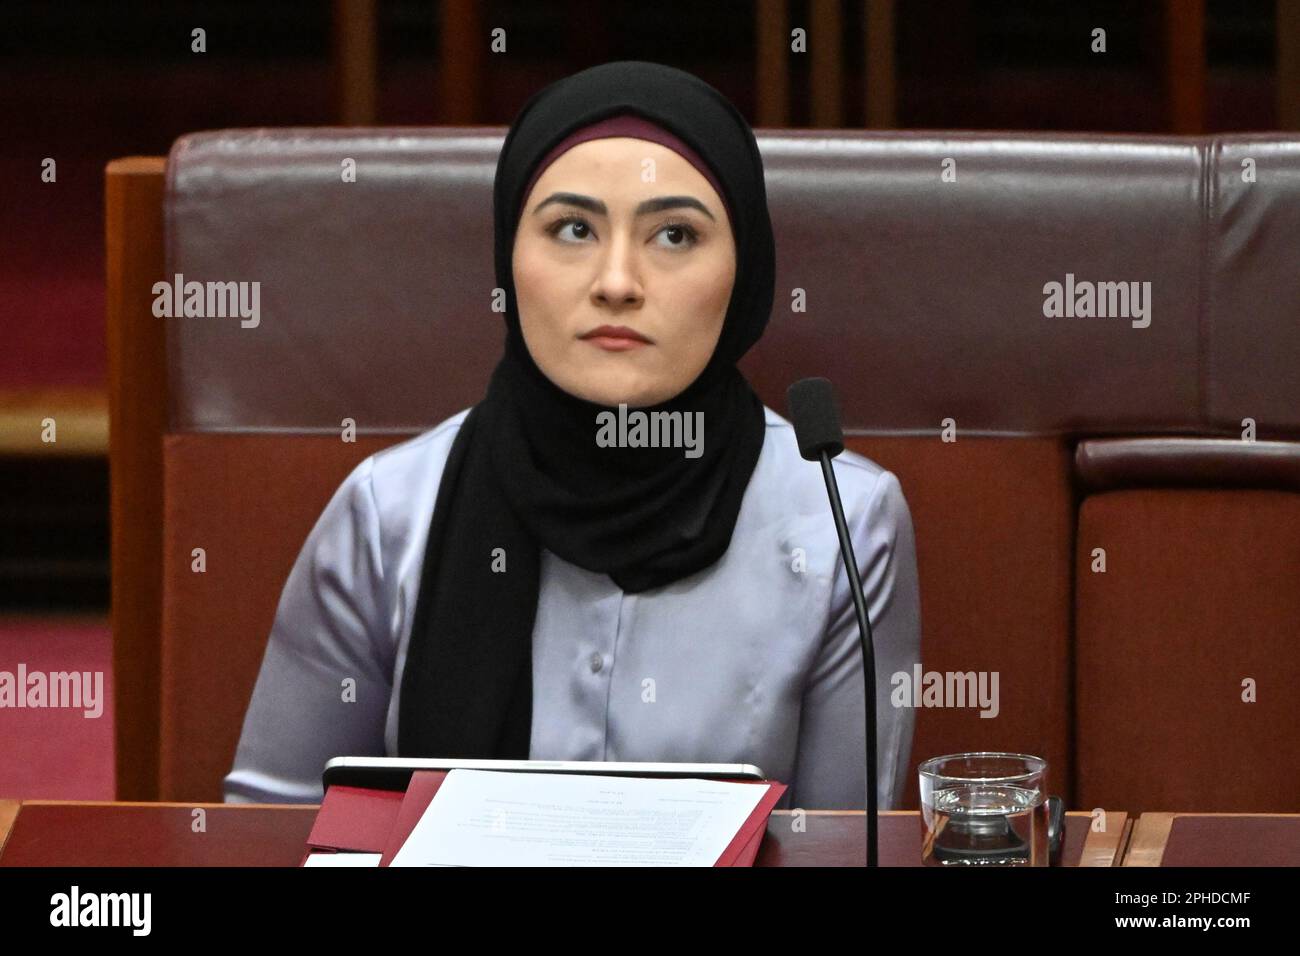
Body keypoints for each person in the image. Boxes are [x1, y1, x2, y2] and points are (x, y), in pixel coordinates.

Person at [223, 60, 921, 810]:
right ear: (508, 258)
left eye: (676, 234)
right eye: (574, 229)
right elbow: (273, 830)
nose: (617, 280)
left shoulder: (843, 522)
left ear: (744, 273)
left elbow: (847, 850)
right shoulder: (387, 513)